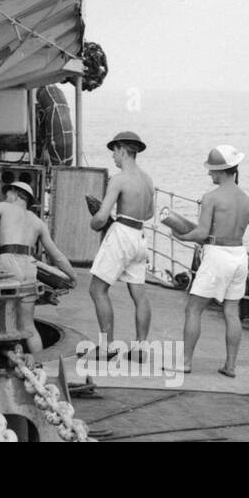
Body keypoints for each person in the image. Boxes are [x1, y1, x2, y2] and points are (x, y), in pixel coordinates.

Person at [172, 145, 249, 377]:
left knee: (193, 309)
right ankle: (230, 366)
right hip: (239, 255)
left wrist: (180, 235)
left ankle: (185, 362)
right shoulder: (246, 201)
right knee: (231, 312)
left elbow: (202, 233)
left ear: (221, 171)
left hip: (217, 255)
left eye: (211, 170)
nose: (209, 174)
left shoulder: (211, 198)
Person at [0, 181, 76, 352]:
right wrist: (73, 277)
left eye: (7, 194)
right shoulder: (38, 222)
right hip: (29, 267)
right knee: (28, 326)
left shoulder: (4, 207)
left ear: (15, 194)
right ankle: (40, 365)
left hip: (8, 263)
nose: (5, 197)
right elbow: (58, 257)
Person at [83, 131, 154, 360]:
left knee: (97, 289)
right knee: (139, 295)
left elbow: (102, 218)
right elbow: (150, 213)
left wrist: (94, 222)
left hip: (121, 234)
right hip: (140, 236)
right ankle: (141, 347)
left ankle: (107, 347)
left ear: (122, 150)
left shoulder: (119, 179)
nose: (113, 157)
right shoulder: (147, 179)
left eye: (114, 152)